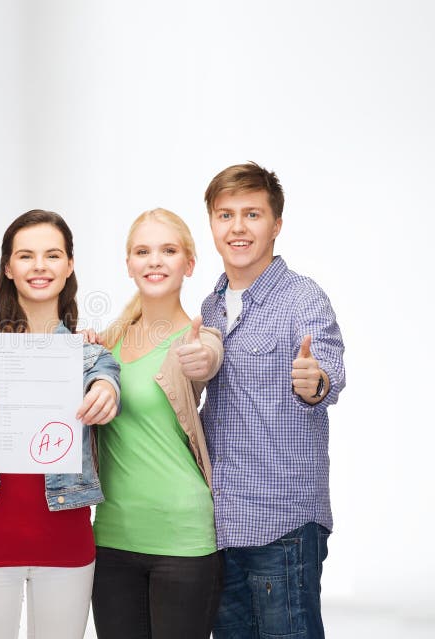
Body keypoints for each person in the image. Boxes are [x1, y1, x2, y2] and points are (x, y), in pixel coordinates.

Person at [0, 210, 120, 639]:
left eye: (52, 255)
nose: (39, 266)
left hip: (66, 544)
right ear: (8, 267)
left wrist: (105, 392)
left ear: (69, 265)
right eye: (26, 255)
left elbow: (106, 378)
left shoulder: (90, 354)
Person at [200, 162, 345, 638]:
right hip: (221, 523)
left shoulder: (303, 299)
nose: (237, 227)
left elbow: (326, 375)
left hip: (281, 524)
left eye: (252, 214)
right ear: (212, 224)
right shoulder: (211, 306)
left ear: (276, 224)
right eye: (225, 215)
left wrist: (314, 382)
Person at [91, 208, 225, 639]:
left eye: (168, 251)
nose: (154, 261)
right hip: (111, 537)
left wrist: (203, 357)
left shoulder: (197, 337)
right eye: (143, 251)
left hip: (183, 538)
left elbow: (208, 357)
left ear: (188, 263)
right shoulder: (106, 344)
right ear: (128, 264)